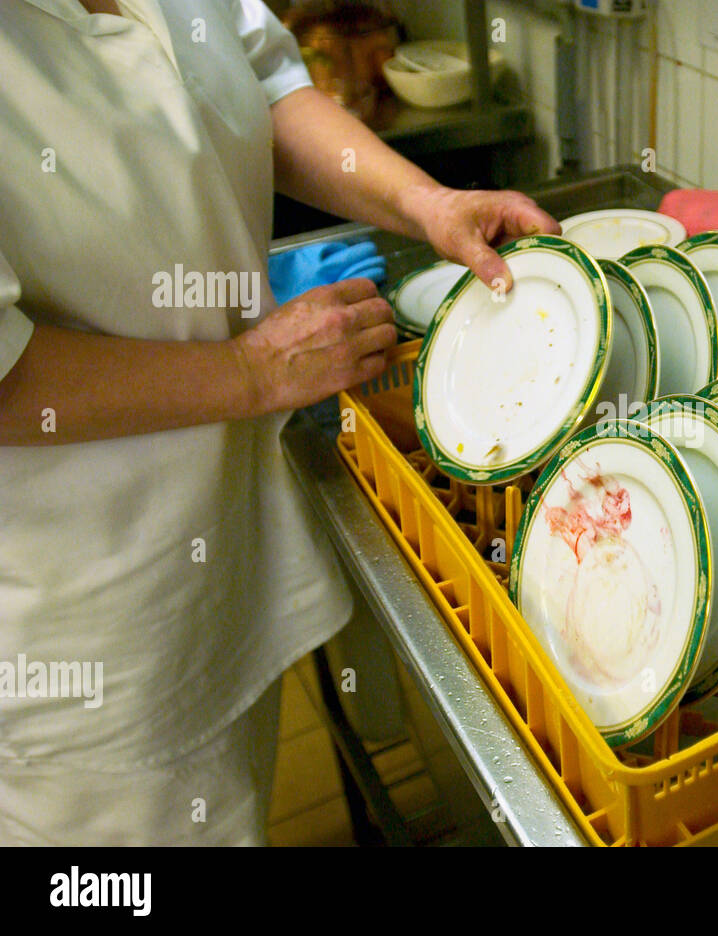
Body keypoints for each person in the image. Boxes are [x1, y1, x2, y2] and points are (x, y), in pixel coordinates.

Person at [0, 0, 560, 845]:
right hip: (83, 623)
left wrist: (424, 202)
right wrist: (250, 370)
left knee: (230, 801)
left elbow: (264, 87)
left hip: (220, 539)